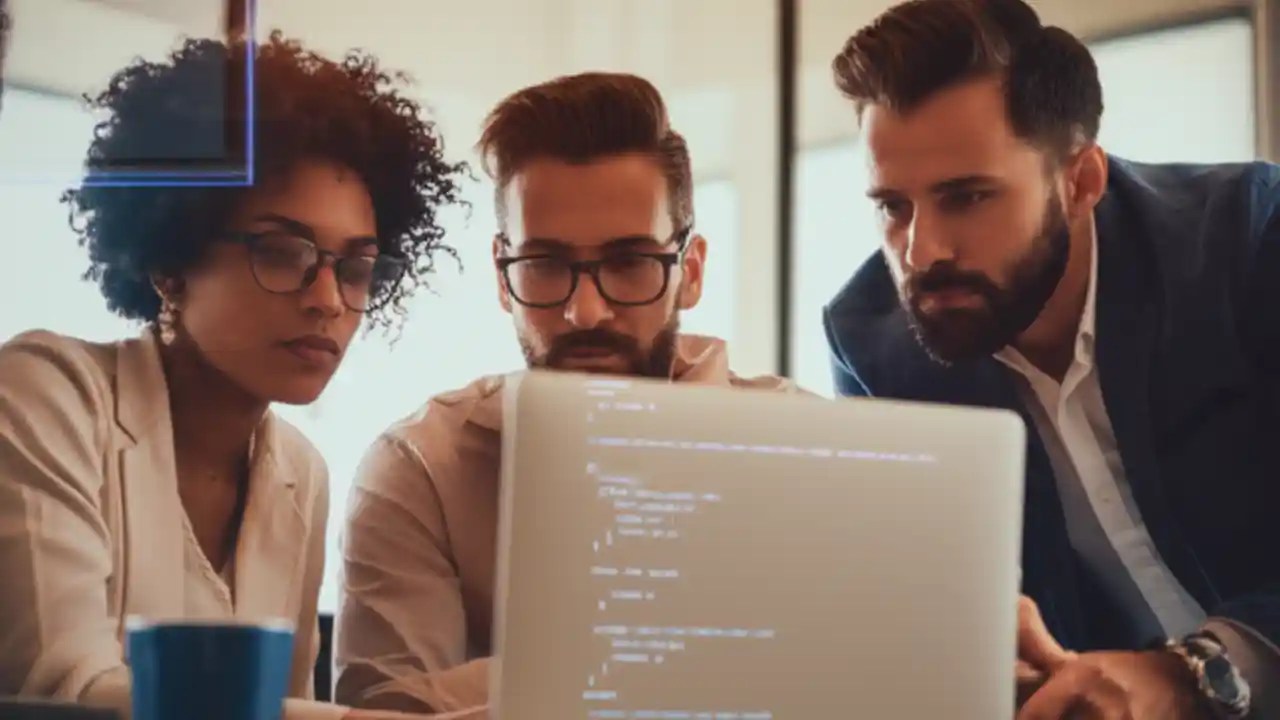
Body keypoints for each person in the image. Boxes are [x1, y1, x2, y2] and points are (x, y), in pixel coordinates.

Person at [823, 0, 1278, 717]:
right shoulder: (872, 345)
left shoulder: (1247, 242)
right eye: (893, 207)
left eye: (966, 197)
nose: (921, 252)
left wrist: (1192, 674)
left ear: (1080, 182)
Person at [0, 32, 469, 720]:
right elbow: (63, 693)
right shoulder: (46, 394)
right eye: (284, 253)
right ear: (169, 261)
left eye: (357, 267)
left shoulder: (299, 473)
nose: (330, 300)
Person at [333, 72, 799, 713]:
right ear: (503, 278)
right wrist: (667, 652)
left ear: (688, 273)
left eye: (629, 262)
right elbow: (390, 714)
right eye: (546, 265)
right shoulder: (422, 469)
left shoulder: (803, 452)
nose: (585, 311)